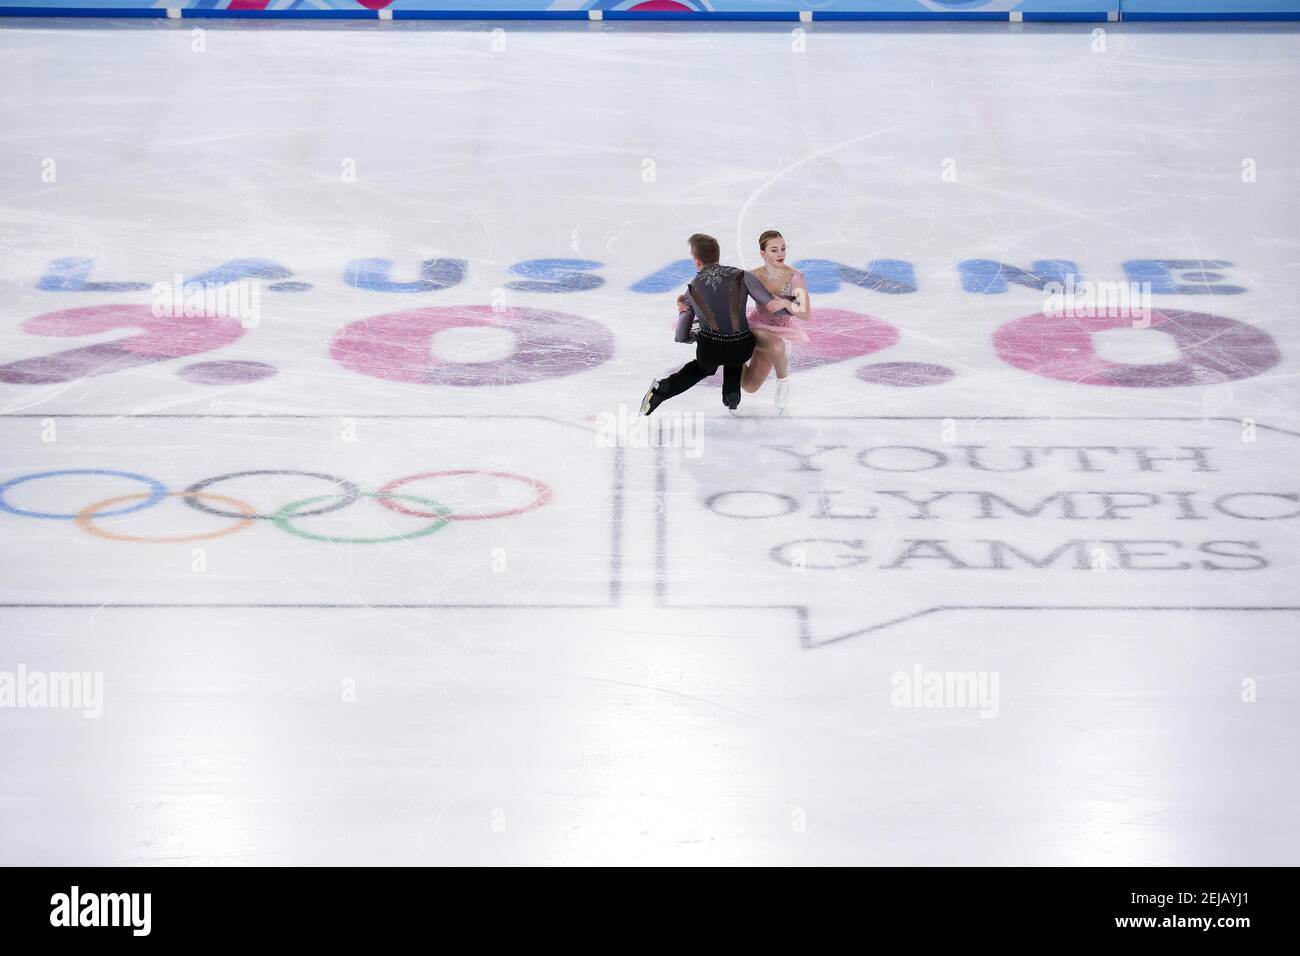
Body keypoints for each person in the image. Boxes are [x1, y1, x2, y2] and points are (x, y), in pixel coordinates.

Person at [640, 233, 774, 416]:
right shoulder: (742, 276)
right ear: (718, 255)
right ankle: (732, 394)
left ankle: (662, 389)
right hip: (741, 347)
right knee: (735, 355)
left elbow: (681, 336)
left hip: (710, 351)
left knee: (702, 367)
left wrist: (691, 330)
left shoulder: (691, 290)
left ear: (697, 261)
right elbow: (769, 303)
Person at [742, 230, 810, 413]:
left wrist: (786, 302)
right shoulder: (752, 276)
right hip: (755, 327)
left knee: (750, 386)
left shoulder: (795, 277)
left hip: (779, 330)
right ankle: (733, 363)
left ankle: (783, 382)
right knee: (778, 346)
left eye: (783, 248)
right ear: (762, 253)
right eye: (774, 250)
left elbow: (804, 313)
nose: (780, 253)